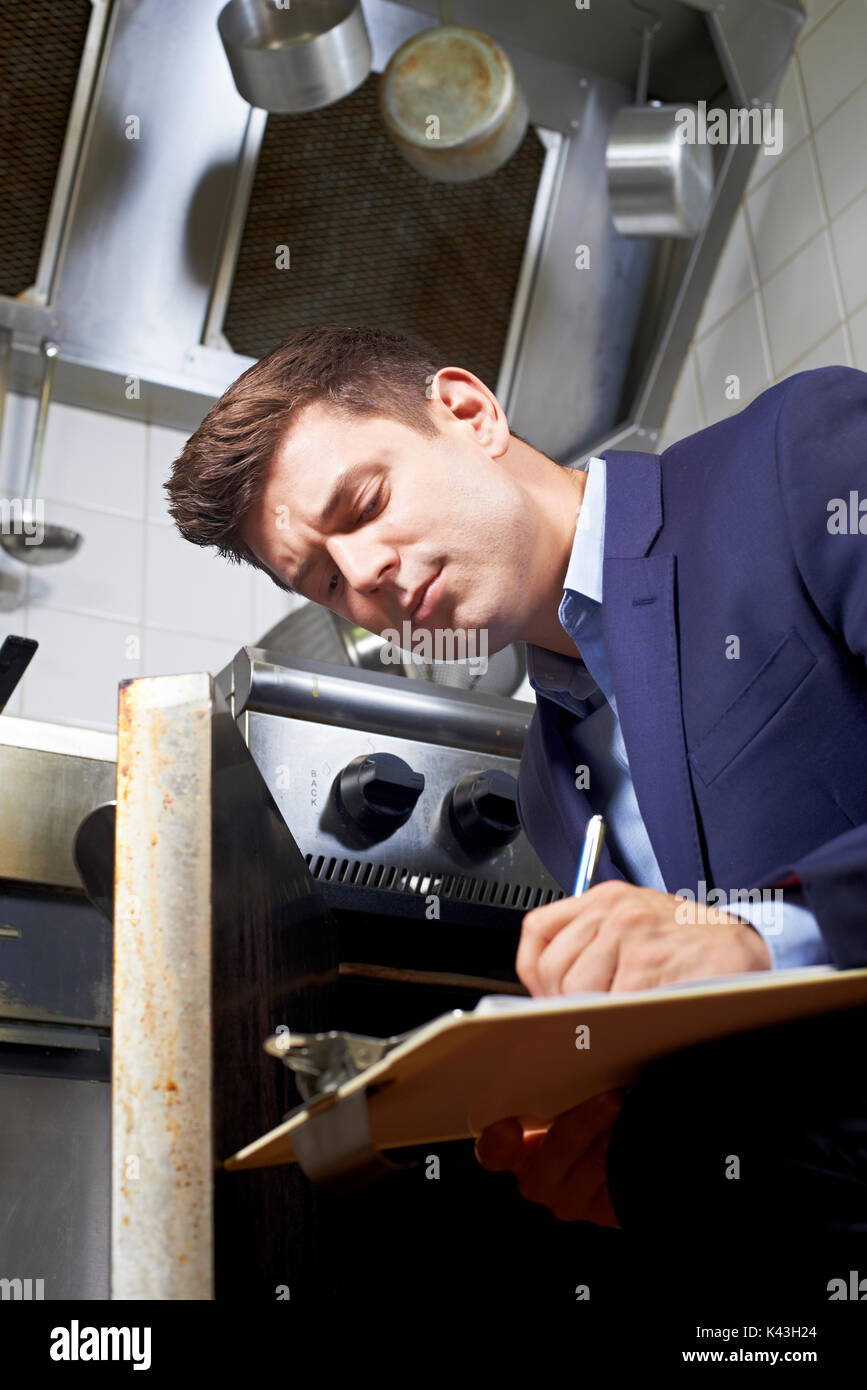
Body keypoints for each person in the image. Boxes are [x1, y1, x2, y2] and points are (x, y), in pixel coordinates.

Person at [165, 324, 867, 1245]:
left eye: (365, 502)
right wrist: (639, 1157)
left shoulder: (795, 456)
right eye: (324, 584)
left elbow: (749, 951)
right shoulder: (548, 785)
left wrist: (755, 936)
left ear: (468, 412)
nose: (364, 574)